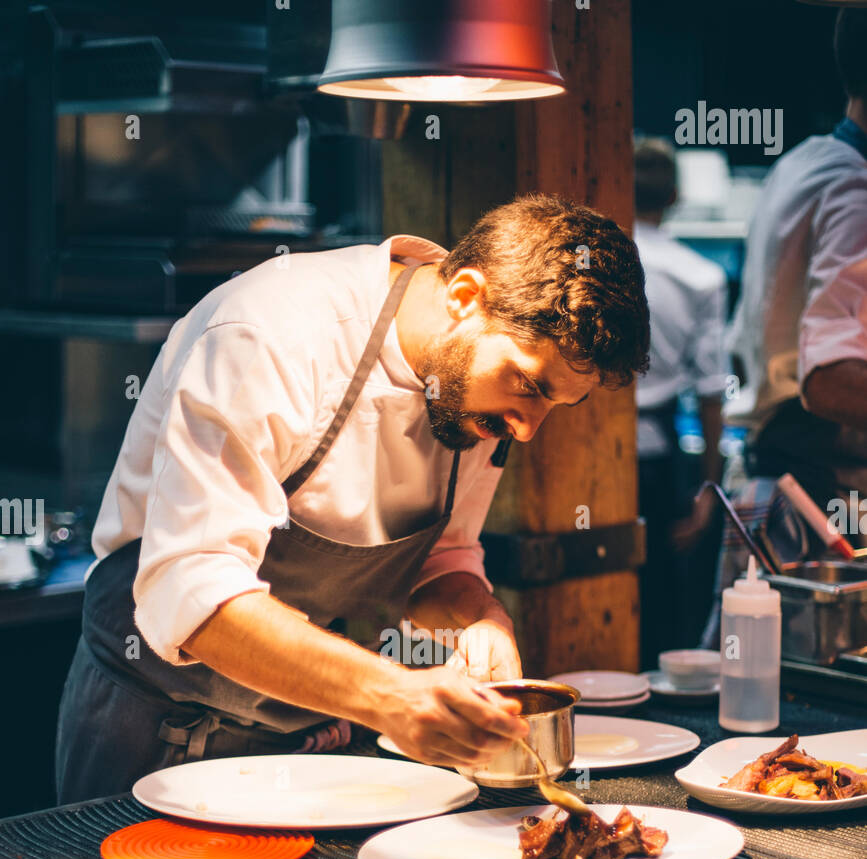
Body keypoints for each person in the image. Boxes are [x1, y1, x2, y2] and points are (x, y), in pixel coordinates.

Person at [55, 193, 650, 803]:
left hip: (312, 741)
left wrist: (479, 615)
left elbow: (442, 557)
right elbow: (193, 591)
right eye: (529, 385)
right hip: (159, 729)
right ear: (465, 298)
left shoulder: (479, 398)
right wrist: (389, 696)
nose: (528, 428)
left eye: (556, 404)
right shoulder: (269, 332)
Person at [706, 5, 867, 643]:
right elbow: (828, 380)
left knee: (748, 688)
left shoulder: (805, 161)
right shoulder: (855, 188)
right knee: (801, 708)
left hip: (773, 483)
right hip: (814, 499)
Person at [633, 139, 728, 668]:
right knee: (665, 599)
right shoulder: (701, 275)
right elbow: (712, 391)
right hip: (664, 463)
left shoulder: (596, 260)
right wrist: (707, 489)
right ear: (674, 196)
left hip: (589, 457)